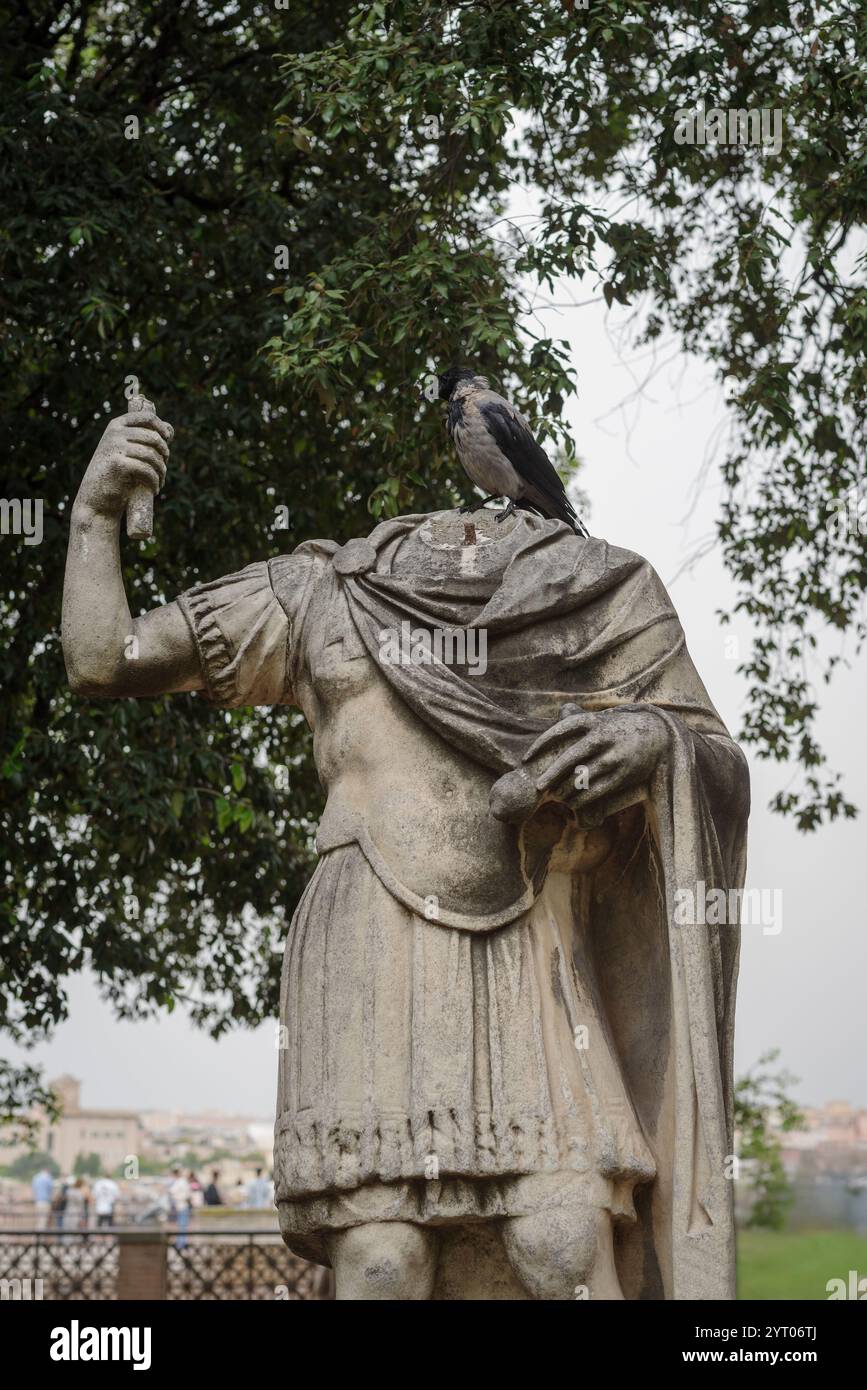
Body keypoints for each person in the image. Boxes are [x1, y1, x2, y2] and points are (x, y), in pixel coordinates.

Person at [168, 1166, 191, 1249]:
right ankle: (181, 1244)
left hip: (182, 1206)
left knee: (182, 1227)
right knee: (182, 1227)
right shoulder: (181, 1181)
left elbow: (172, 1192)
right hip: (181, 1206)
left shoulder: (180, 1182)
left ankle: (181, 1245)